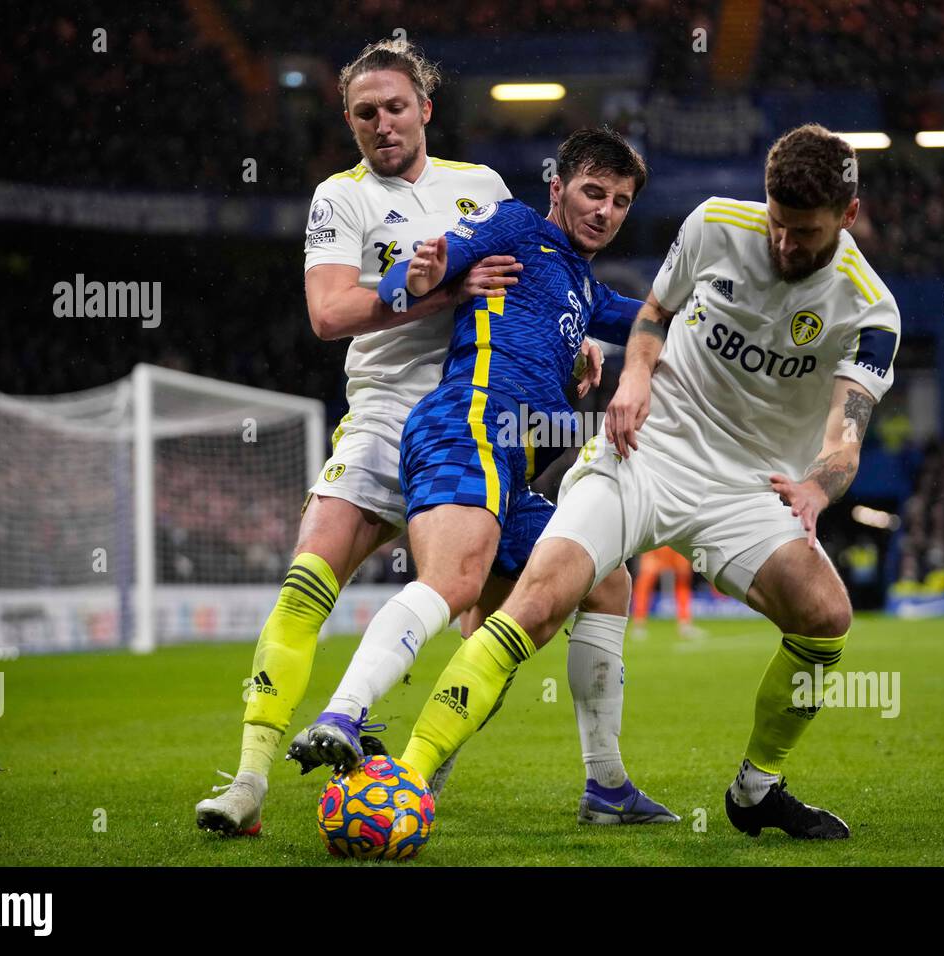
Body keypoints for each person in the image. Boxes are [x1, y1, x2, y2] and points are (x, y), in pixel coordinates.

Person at [396, 123, 902, 841]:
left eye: (807, 234)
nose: (786, 245)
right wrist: (633, 379)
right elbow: (655, 314)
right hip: (645, 449)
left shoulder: (870, 309)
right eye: (779, 225)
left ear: (847, 218)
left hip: (748, 488)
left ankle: (757, 789)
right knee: (536, 603)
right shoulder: (714, 225)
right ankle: (411, 779)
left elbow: (844, 437)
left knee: (826, 618)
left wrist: (819, 487)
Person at [195, 38, 593, 835]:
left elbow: (539, 273)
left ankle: (421, 776)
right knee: (308, 577)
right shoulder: (339, 198)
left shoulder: (479, 186)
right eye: (365, 113)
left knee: (506, 612)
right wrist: (441, 294)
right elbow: (328, 314)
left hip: (479, 412)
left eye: (396, 107)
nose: (383, 123)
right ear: (349, 121)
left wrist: (569, 338)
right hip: (382, 412)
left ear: (426, 110)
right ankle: (246, 786)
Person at [290, 127, 680, 825]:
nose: (605, 211)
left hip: (509, 471)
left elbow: (657, 323)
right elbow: (437, 263)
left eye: (620, 201)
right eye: (593, 192)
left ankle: (604, 786)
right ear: (558, 188)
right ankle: (342, 716)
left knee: (603, 579)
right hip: (463, 424)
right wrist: (419, 271)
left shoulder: (586, 291)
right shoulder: (516, 225)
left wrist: (743, 319)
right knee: (454, 581)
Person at [631, 546, 706, 639]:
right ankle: (639, 625)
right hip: (656, 543)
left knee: (683, 580)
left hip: (676, 543)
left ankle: (685, 625)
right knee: (645, 581)